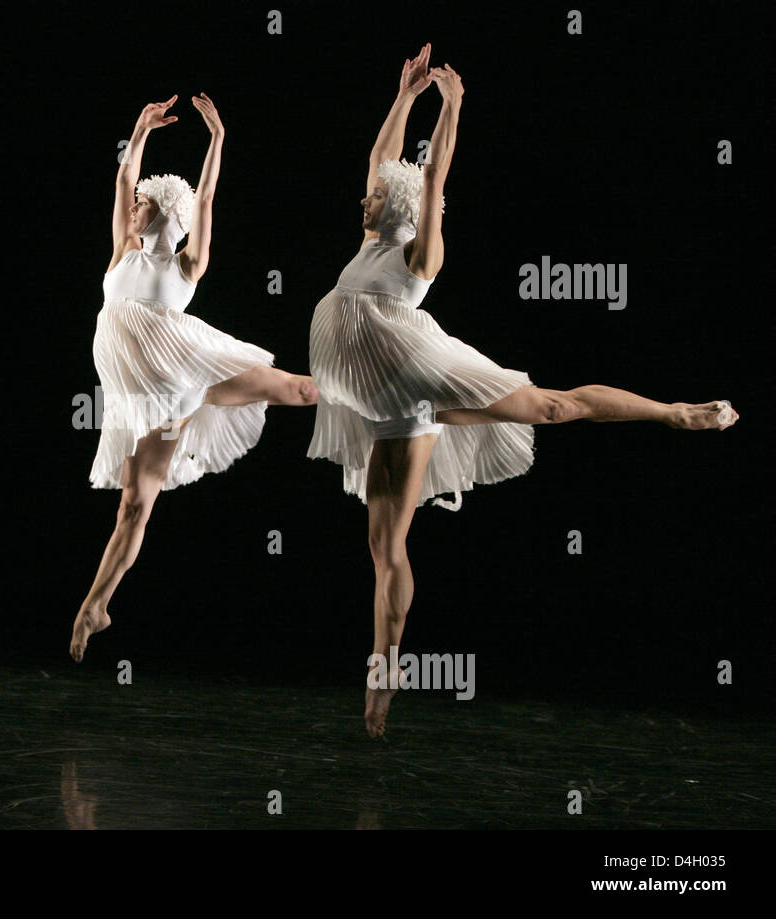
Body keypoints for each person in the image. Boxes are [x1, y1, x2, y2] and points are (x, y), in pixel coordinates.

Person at [306, 45, 738, 737]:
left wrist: (452, 107)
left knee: (553, 405)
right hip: (385, 395)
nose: (367, 196)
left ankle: (675, 412)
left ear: (406, 206)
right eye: (372, 192)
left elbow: (434, 169)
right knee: (385, 551)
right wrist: (406, 95)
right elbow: (379, 157)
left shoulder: (422, 251)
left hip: (416, 364)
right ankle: (384, 668)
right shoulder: (368, 238)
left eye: (379, 194)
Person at [71, 93, 318, 662]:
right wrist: (138, 131)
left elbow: (206, 197)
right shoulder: (121, 256)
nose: (133, 205)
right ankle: (95, 606)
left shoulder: (186, 266)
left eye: (142, 203)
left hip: (189, 373)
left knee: (298, 389)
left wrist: (217, 139)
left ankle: (377, 389)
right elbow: (121, 180)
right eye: (134, 202)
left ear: (164, 211)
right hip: (152, 400)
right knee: (134, 506)